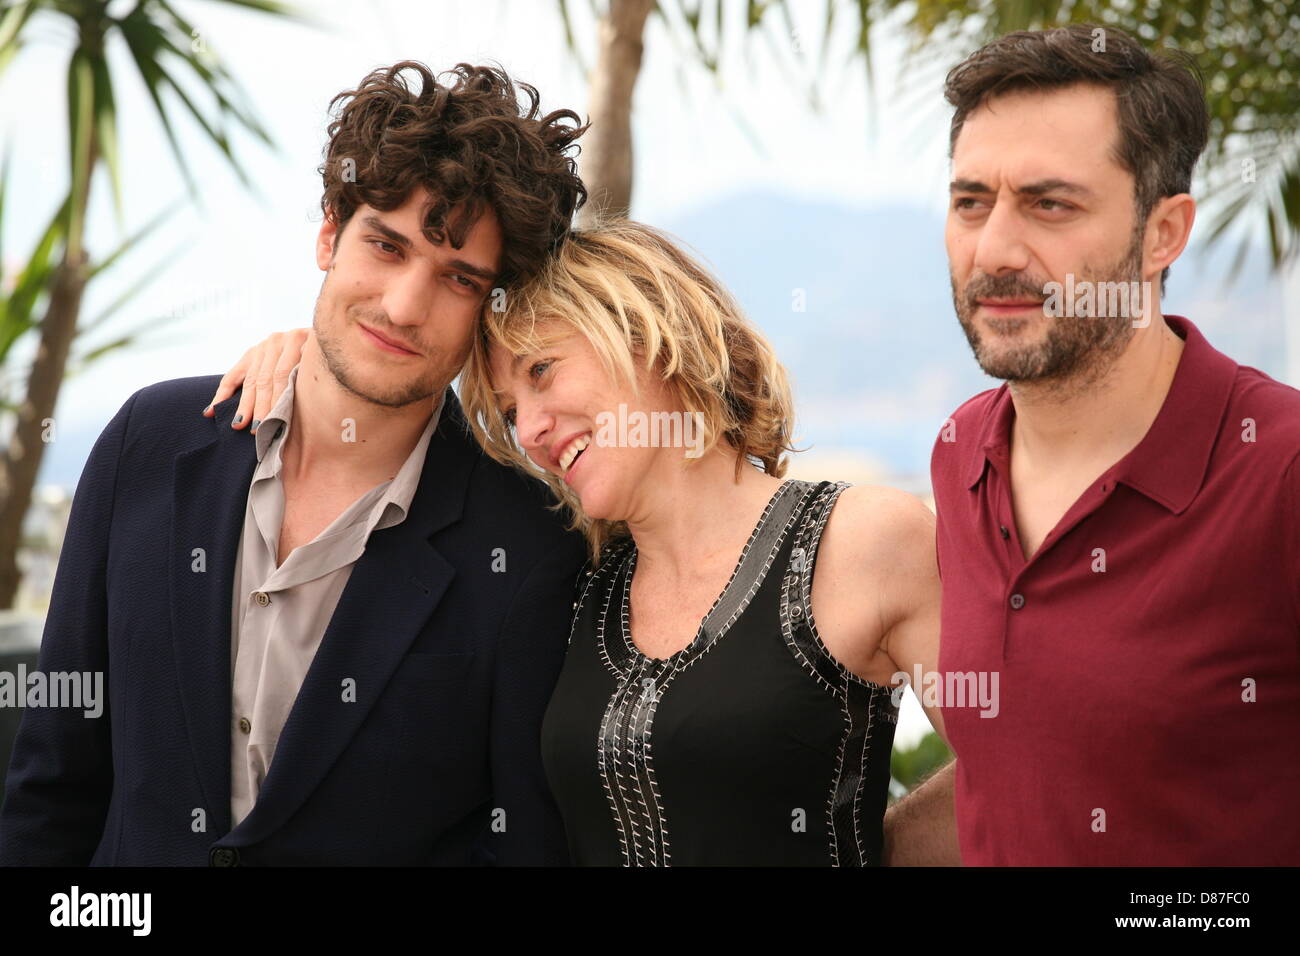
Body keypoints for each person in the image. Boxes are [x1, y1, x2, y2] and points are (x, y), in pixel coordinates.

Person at [0, 61, 590, 866]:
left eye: (458, 279)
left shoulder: (527, 548)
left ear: (492, 310)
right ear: (329, 232)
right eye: (387, 246)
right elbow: (53, 782)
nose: (405, 306)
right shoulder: (149, 442)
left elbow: (519, 848)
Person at [222, 219, 948, 866]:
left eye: (543, 371)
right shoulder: (573, 577)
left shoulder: (862, 540)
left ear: (653, 330)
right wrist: (303, 362)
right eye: (510, 411)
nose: (532, 428)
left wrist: (881, 848)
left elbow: (1024, 765)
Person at [887, 23, 1300, 865]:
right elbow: (1019, 773)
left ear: (1164, 233)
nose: (994, 249)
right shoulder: (962, 450)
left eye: (1051, 204)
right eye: (972, 202)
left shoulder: (1281, 470)